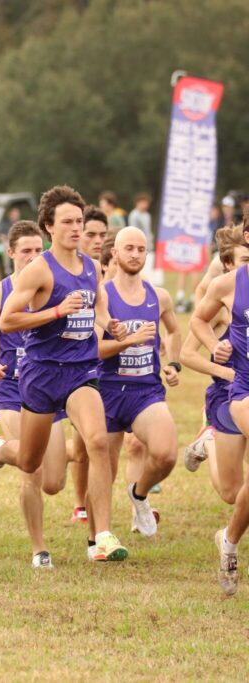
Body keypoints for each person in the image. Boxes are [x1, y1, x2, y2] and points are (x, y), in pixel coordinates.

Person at [0, 185, 131, 563]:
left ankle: (104, 536)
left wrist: (109, 323)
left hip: (81, 371)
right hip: (41, 373)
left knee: (96, 442)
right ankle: (1, 451)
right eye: (68, 222)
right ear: (49, 226)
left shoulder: (92, 266)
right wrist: (57, 311)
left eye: (79, 221)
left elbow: (98, 304)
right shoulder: (39, 269)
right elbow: (10, 321)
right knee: (30, 462)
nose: (76, 229)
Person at [0, 221, 69, 568]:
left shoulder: (56, 288)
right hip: (11, 386)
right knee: (31, 470)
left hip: (49, 386)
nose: (34, 257)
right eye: (26, 252)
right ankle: (39, 550)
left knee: (53, 481)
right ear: (11, 254)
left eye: (40, 251)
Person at [97, 227, 180, 538]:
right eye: (128, 248)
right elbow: (92, 349)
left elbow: (173, 331)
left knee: (166, 454)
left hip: (145, 391)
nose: (134, 254)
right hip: (105, 389)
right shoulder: (101, 295)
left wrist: (172, 363)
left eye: (140, 249)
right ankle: (100, 536)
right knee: (104, 470)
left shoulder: (159, 296)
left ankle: (140, 494)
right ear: (114, 254)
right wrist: (128, 341)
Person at [190, 226, 249, 595]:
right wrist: (216, 346)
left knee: (234, 494)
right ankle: (210, 439)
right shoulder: (229, 283)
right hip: (243, 389)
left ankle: (229, 541)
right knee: (230, 490)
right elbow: (197, 320)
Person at [183, 225, 249, 491]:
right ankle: (208, 439)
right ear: (228, 264)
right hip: (226, 393)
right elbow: (186, 353)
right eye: (243, 260)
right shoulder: (223, 306)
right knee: (230, 492)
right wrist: (224, 370)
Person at [66, 205, 109, 524]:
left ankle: (99, 526)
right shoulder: (56, 271)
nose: (94, 239)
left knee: (97, 442)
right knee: (78, 449)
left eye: (100, 235)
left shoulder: (101, 270)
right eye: (89, 233)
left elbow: (104, 313)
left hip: (100, 371)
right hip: (64, 369)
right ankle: (81, 503)